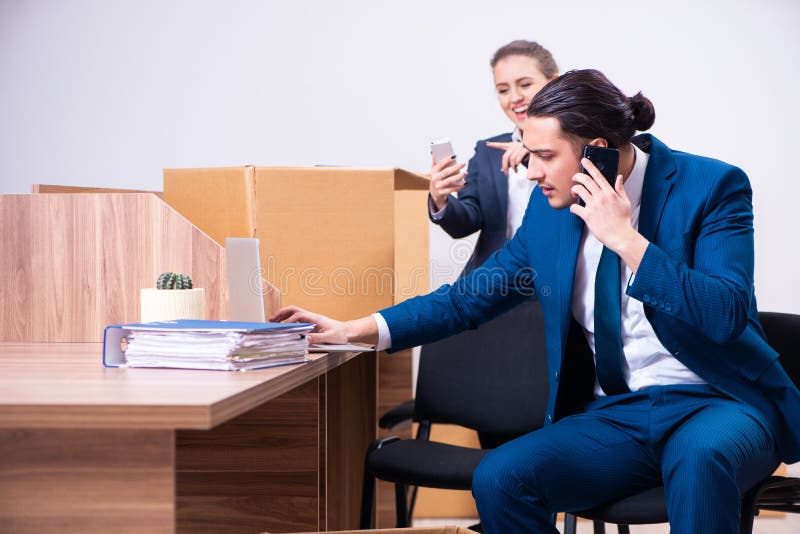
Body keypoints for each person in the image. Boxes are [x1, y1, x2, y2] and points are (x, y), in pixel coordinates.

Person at [272, 69, 800, 533]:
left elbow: (727, 313)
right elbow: (465, 300)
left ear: (597, 149)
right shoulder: (549, 215)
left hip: (721, 404)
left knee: (701, 458)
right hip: (620, 414)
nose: (529, 172)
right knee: (501, 477)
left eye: (544, 156)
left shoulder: (713, 185)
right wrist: (353, 329)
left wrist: (627, 241)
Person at [429, 40, 558, 275]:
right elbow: (466, 222)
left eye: (525, 84)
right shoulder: (487, 151)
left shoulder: (580, 147)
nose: (515, 97)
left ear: (554, 82)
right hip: (495, 283)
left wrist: (538, 151)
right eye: (503, 90)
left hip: (553, 281)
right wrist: (441, 200)